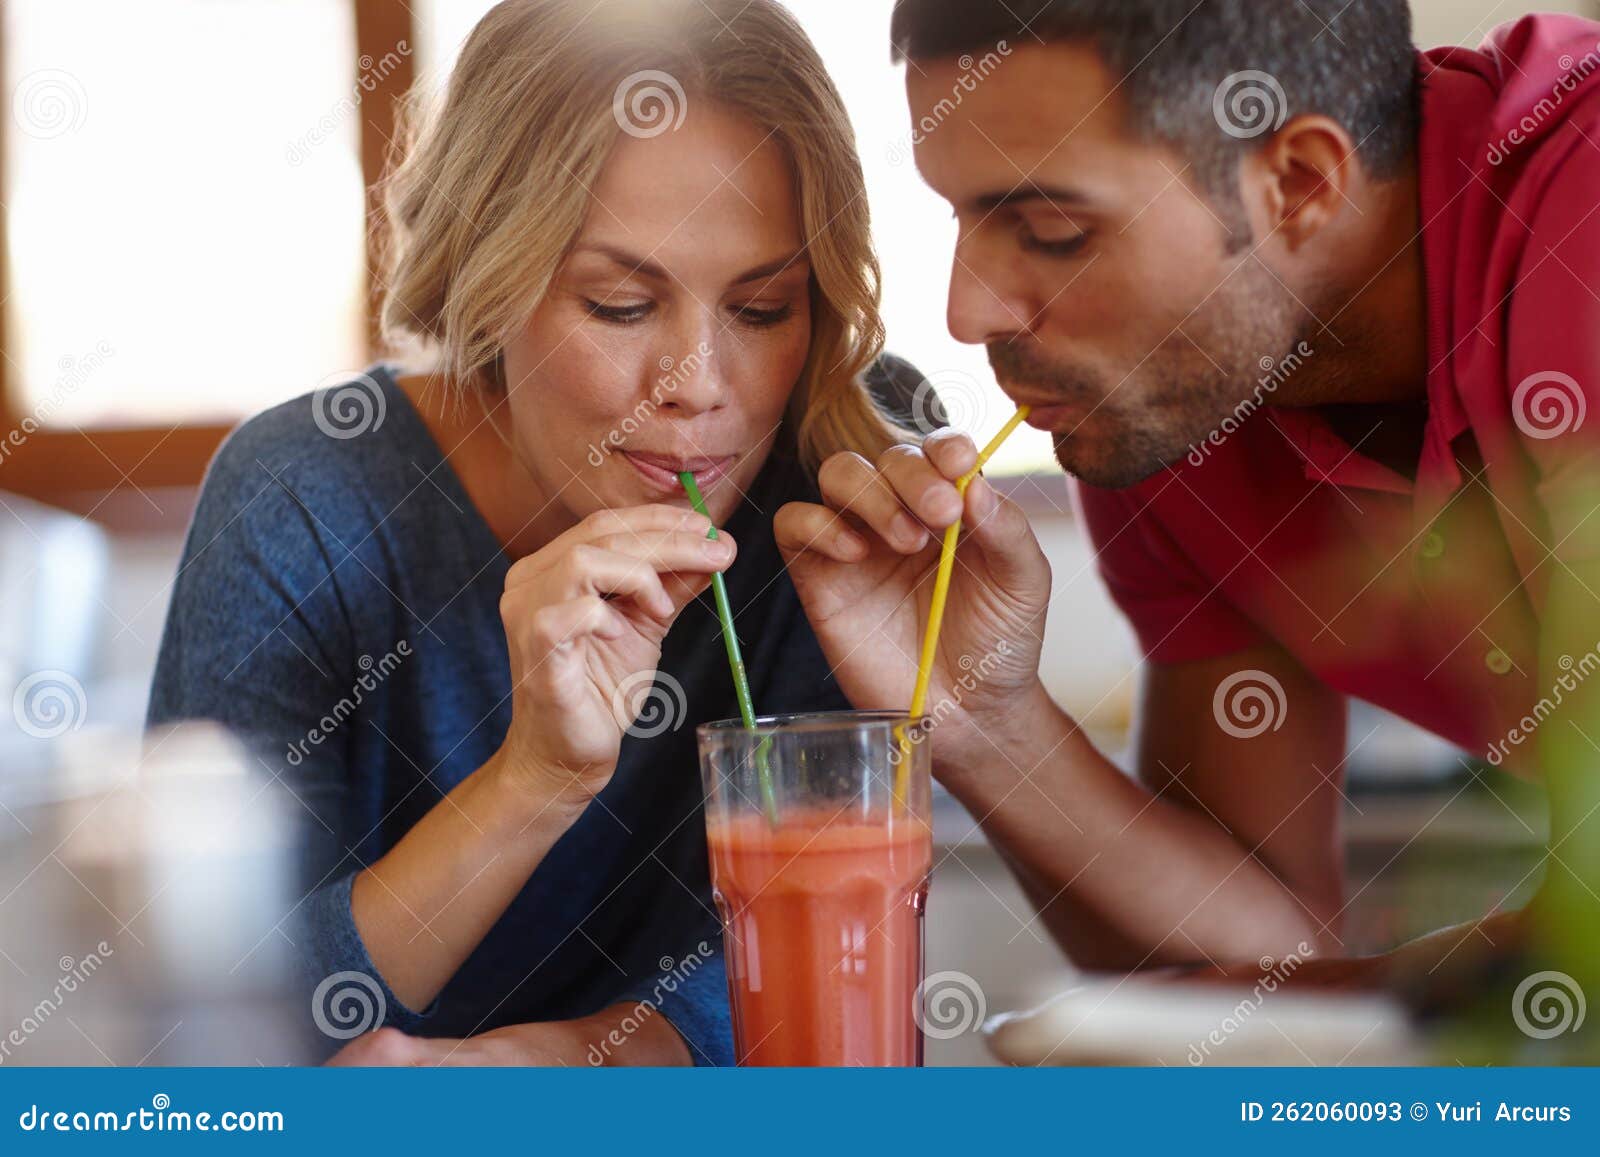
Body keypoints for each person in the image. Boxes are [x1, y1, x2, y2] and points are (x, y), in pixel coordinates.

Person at [776, 0, 1600, 1004]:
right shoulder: (1174, 399)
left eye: (1049, 229)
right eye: (961, 215)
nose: (967, 308)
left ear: (1297, 184)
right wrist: (986, 722)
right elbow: (1243, 967)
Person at [146, 0, 919, 1067]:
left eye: (761, 308)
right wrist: (533, 780)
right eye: (618, 303)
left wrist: (536, 1071)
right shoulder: (302, 500)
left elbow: (843, 1002)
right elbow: (209, 1029)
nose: (699, 387)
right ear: (486, 274)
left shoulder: (846, 478)